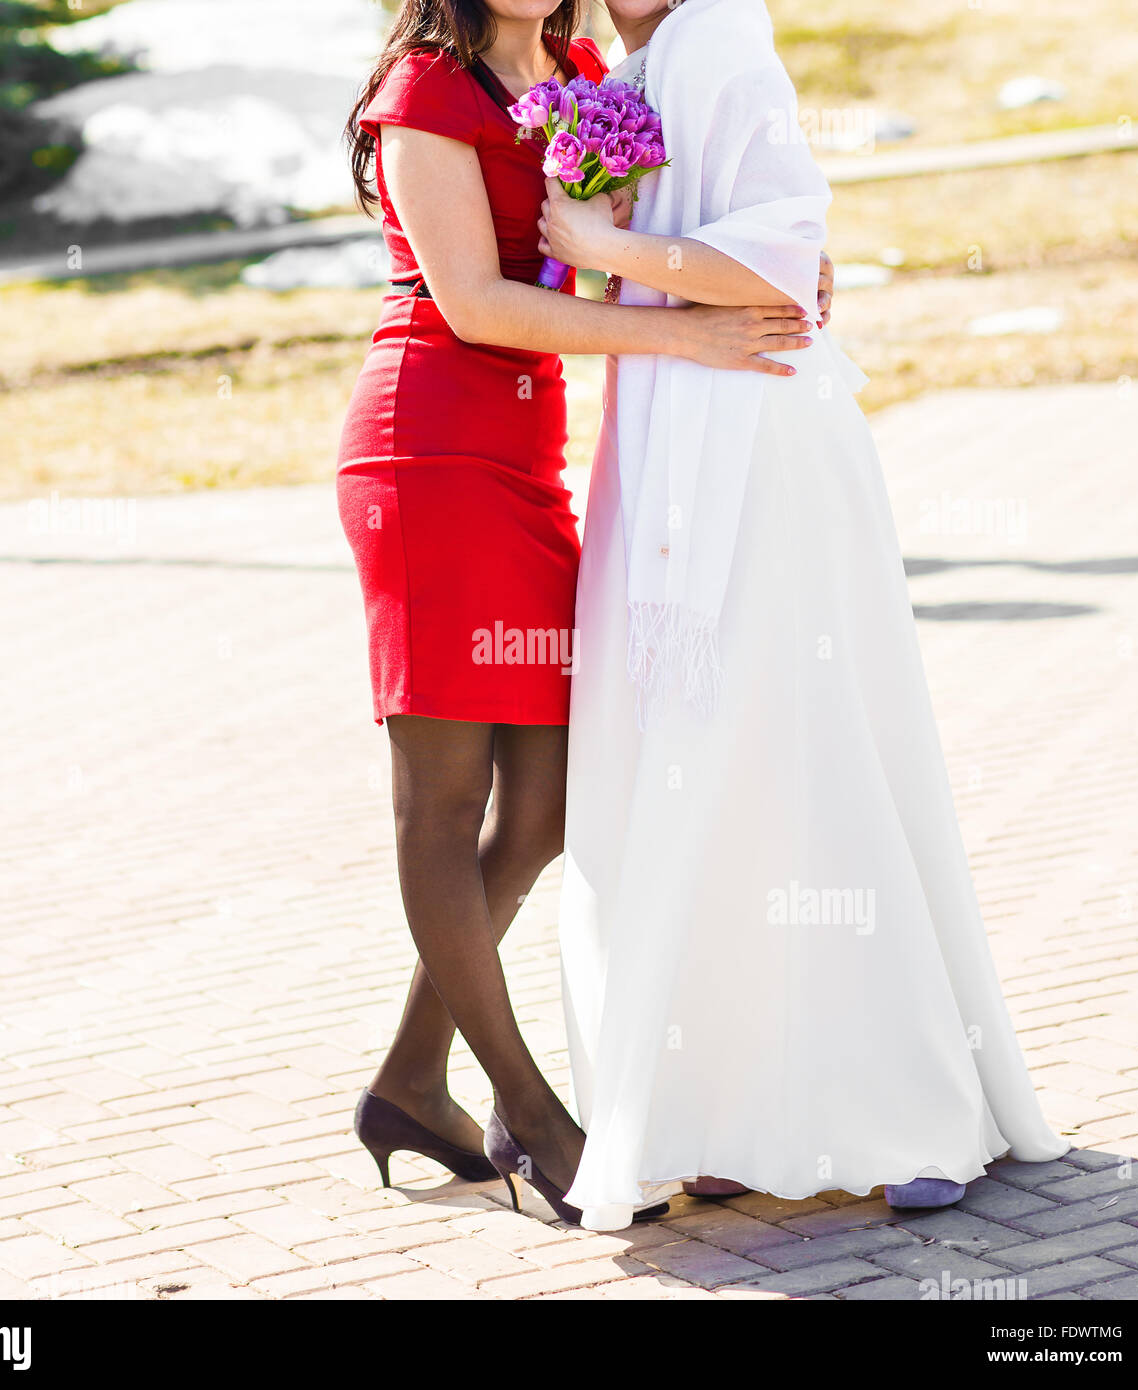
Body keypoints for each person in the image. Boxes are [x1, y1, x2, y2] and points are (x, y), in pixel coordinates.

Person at [544, 0, 1070, 1231]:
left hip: (759, 438)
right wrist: (598, 243)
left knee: (802, 751)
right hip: (667, 431)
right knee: (699, 775)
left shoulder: (720, 35)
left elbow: (780, 257)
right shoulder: (620, 65)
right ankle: (728, 1112)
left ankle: (908, 1108)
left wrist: (603, 244)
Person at [338, 0, 825, 1219]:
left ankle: (408, 1078)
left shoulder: (585, 69)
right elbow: (477, 307)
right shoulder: (424, 93)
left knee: (550, 803)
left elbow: (683, 211)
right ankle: (530, 1112)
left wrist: (769, 267)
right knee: (445, 801)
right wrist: (684, 343)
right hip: (428, 456)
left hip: (529, 460)